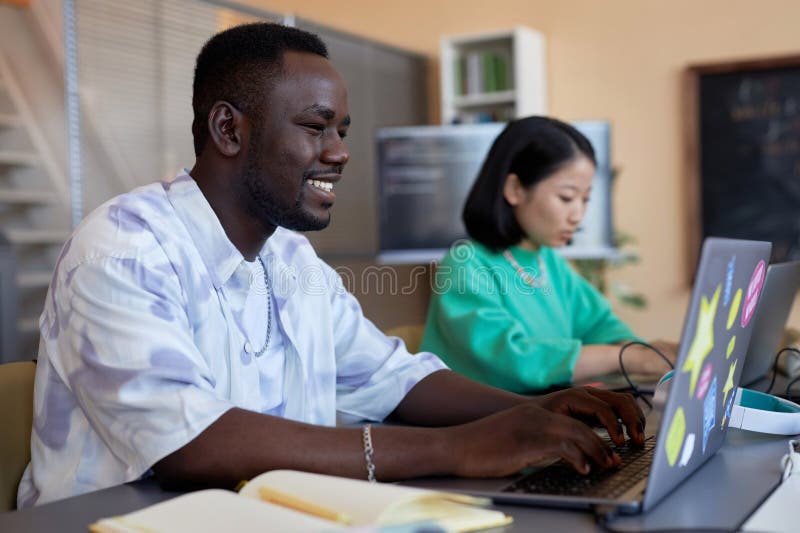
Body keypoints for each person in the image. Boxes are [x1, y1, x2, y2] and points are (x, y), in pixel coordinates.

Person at [18, 24, 646, 508]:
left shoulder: (291, 255)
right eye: (317, 127)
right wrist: (458, 447)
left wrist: (534, 412)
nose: (340, 152)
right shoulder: (121, 248)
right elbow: (192, 444)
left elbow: (392, 378)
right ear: (228, 130)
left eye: (341, 129)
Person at [421, 116, 677, 393]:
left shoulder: (549, 263)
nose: (578, 215)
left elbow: (602, 327)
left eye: (585, 199)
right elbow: (513, 361)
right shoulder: (466, 264)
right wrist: (625, 357)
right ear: (515, 189)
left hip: (537, 422)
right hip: (475, 429)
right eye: (566, 198)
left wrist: (649, 354)